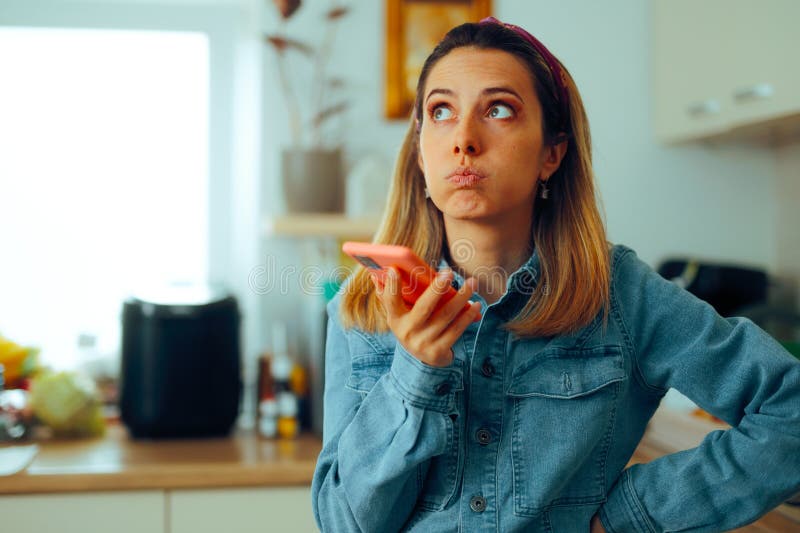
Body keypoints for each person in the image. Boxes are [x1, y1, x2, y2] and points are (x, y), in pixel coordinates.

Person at [311, 17, 800, 532]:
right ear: (418, 149)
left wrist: (634, 517)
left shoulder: (621, 295)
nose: (464, 139)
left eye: (498, 109)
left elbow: (789, 408)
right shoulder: (362, 307)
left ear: (552, 153)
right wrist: (413, 375)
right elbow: (344, 523)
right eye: (441, 111)